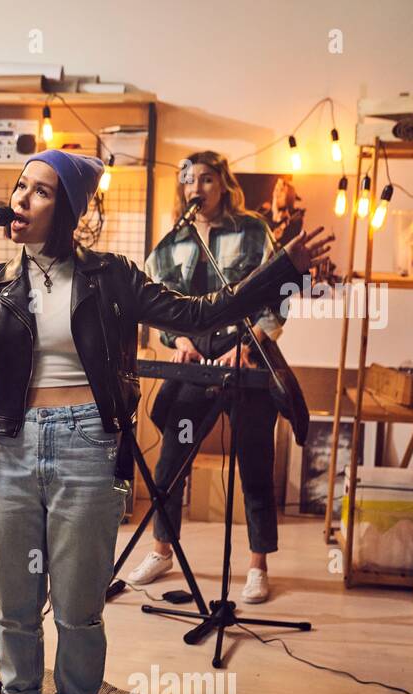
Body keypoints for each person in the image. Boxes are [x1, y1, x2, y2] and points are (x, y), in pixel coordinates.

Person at [0, 149, 331, 694]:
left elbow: (202, 314)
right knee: (13, 595)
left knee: (76, 600)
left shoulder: (113, 276)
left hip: (87, 443)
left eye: (39, 191)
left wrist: (281, 269)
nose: (21, 198)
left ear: (64, 209)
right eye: (19, 186)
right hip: (10, 444)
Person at [127, 151, 289, 604]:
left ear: (223, 184)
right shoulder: (170, 243)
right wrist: (178, 342)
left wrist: (251, 342)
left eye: (206, 179)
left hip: (248, 353)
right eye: (188, 180)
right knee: (169, 461)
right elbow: (152, 305)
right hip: (193, 355)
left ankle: (257, 564)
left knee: (255, 460)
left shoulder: (254, 230)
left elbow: (282, 292)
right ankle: (162, 550)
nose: (195, 188)